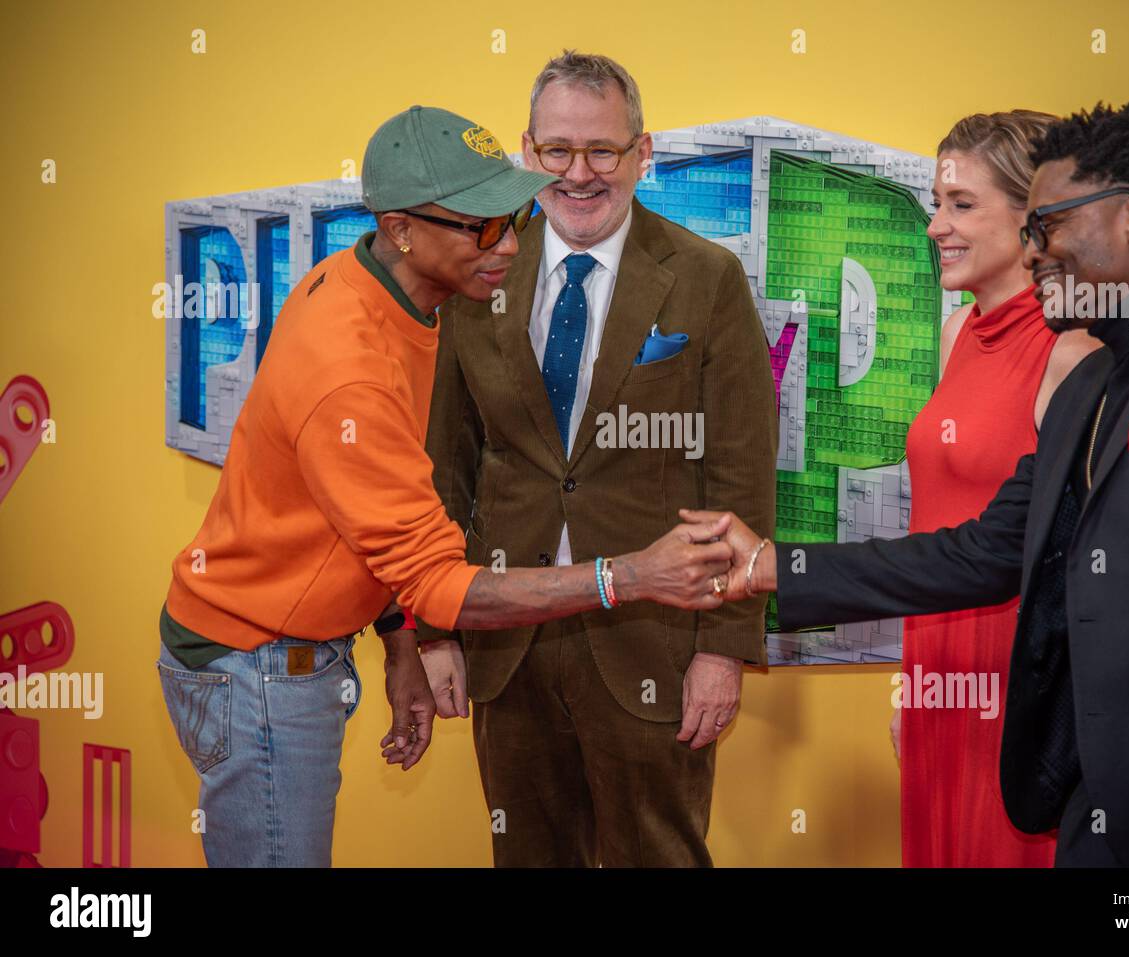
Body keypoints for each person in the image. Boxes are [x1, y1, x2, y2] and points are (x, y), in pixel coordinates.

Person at [688, 101, 1129, 866]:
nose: (1036, 250)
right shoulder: (1094, 385)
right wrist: (770, 566)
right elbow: (983, 553)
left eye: (1050, 225)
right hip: (1086, 801)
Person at [156, 105, 734, 868]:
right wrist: (627, 574)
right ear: (401, 229)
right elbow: (437, 580)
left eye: (515, 215)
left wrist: (398, 645)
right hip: (258, 666)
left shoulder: (396, 293)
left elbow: (383, 513)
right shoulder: (348, 367)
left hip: (296, 652)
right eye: (483, 226)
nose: (512, 243)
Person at [418, 51, 777, 867]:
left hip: (653, 643)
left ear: (641, 154)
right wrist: (435, 629)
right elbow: (446, 469)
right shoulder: (480, 277)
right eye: (557, 151)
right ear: (527, 152)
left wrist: (723, 646)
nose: (580, 174)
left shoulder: (707, 278)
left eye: (603, 151)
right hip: (508, 644)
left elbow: (741, 474)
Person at [897, 110, 1097, 867]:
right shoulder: (956, 333)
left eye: (961, 204)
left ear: (1030, 216)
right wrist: (907, 688)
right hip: (934, 667)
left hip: (1020, 678)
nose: (935, 226)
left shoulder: (1070, 351)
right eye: (934, 201)